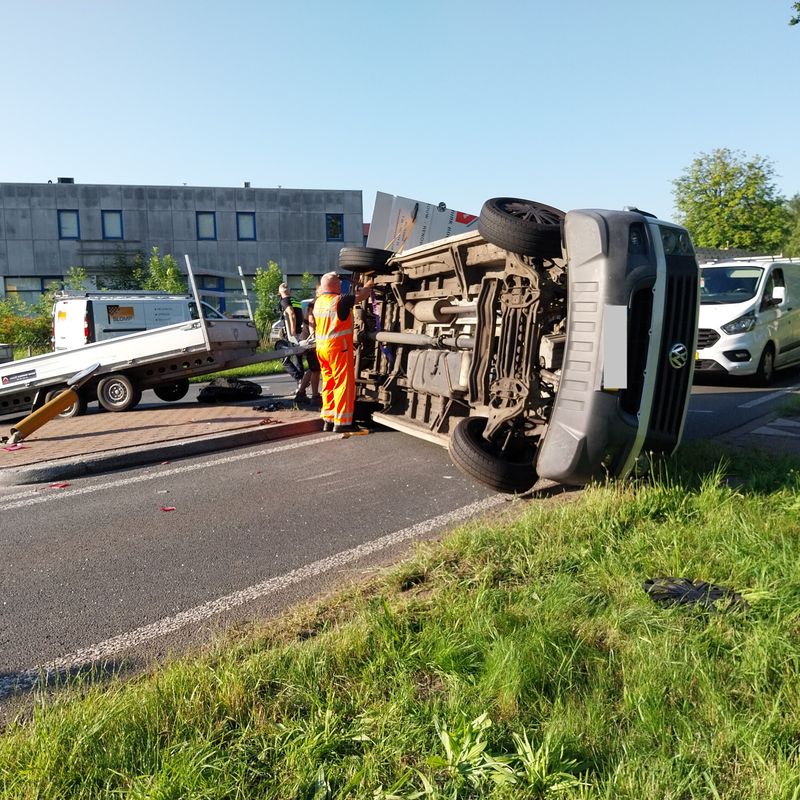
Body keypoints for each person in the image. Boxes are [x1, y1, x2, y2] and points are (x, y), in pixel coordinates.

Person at [310, 271, 374, 433]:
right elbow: (362, 296)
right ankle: (343, 423)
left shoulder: (318, 302)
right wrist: (369, 284)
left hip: (321, 348)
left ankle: (328, 419)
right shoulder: (340, 300)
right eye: (339, 284)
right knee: (343, 384)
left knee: (329, 383)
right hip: (338, 348)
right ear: (336, 286)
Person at [277, 282, 306, 389]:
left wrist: (292, 331)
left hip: (292, 334)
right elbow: (301, 315)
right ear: (289, 291)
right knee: (298, 358)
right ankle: (301, 386)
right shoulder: (295, 300)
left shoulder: (284, 301)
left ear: (279, 292)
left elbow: (291, 314)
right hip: (299, 332)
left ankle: (299, 378)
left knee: (284, 359)